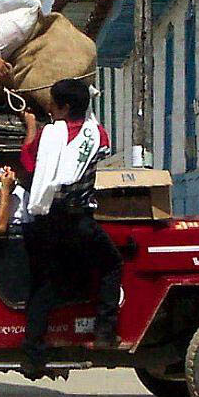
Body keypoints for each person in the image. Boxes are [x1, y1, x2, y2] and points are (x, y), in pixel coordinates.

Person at [19, 78, 123, 376]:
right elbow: (99, 150)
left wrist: (31, 129)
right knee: (111, 264)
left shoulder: (48, 136)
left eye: (53, 103)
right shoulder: (97, 135)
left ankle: (33, 356)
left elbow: (28, 164)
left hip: (47, 221)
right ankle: (105, 331)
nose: (50, 107)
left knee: (43, 285)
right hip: (79, 222)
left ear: (64, 107)